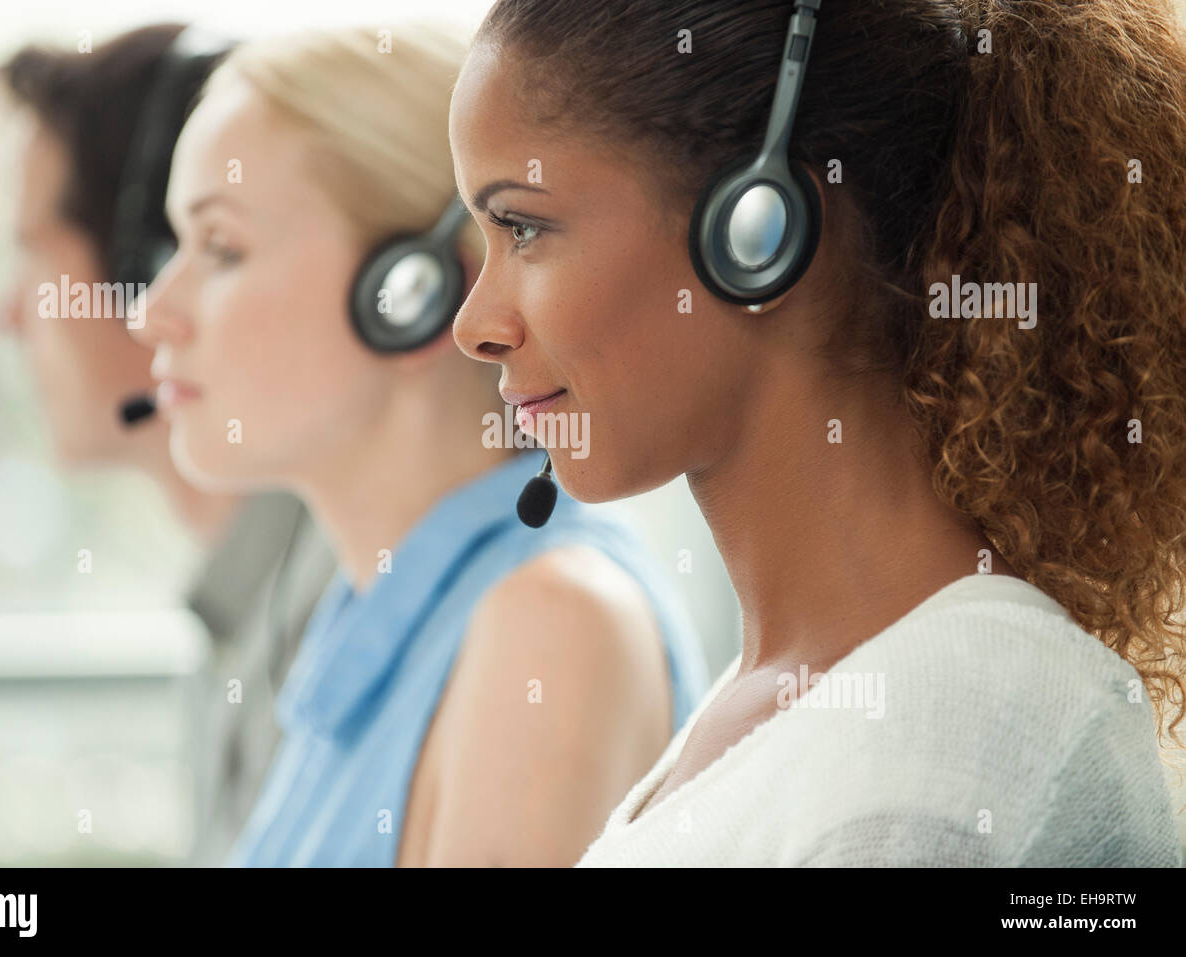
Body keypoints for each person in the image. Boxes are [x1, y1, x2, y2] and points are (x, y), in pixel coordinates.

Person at [449, 0, 1186, 865]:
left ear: (760, 228)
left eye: (525, 227)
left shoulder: (944, 740)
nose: (473, 324)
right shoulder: (807, 699)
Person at [130, 20, 710, 867]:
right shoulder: (365, 626)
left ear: (418, 287)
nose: (154, 311)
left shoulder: (551, 628)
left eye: (221, 247)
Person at [0, 23, 335, 865]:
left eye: (36, 252)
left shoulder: (350, 596)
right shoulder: (243, 603)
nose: (8, 313)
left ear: (144, 264)